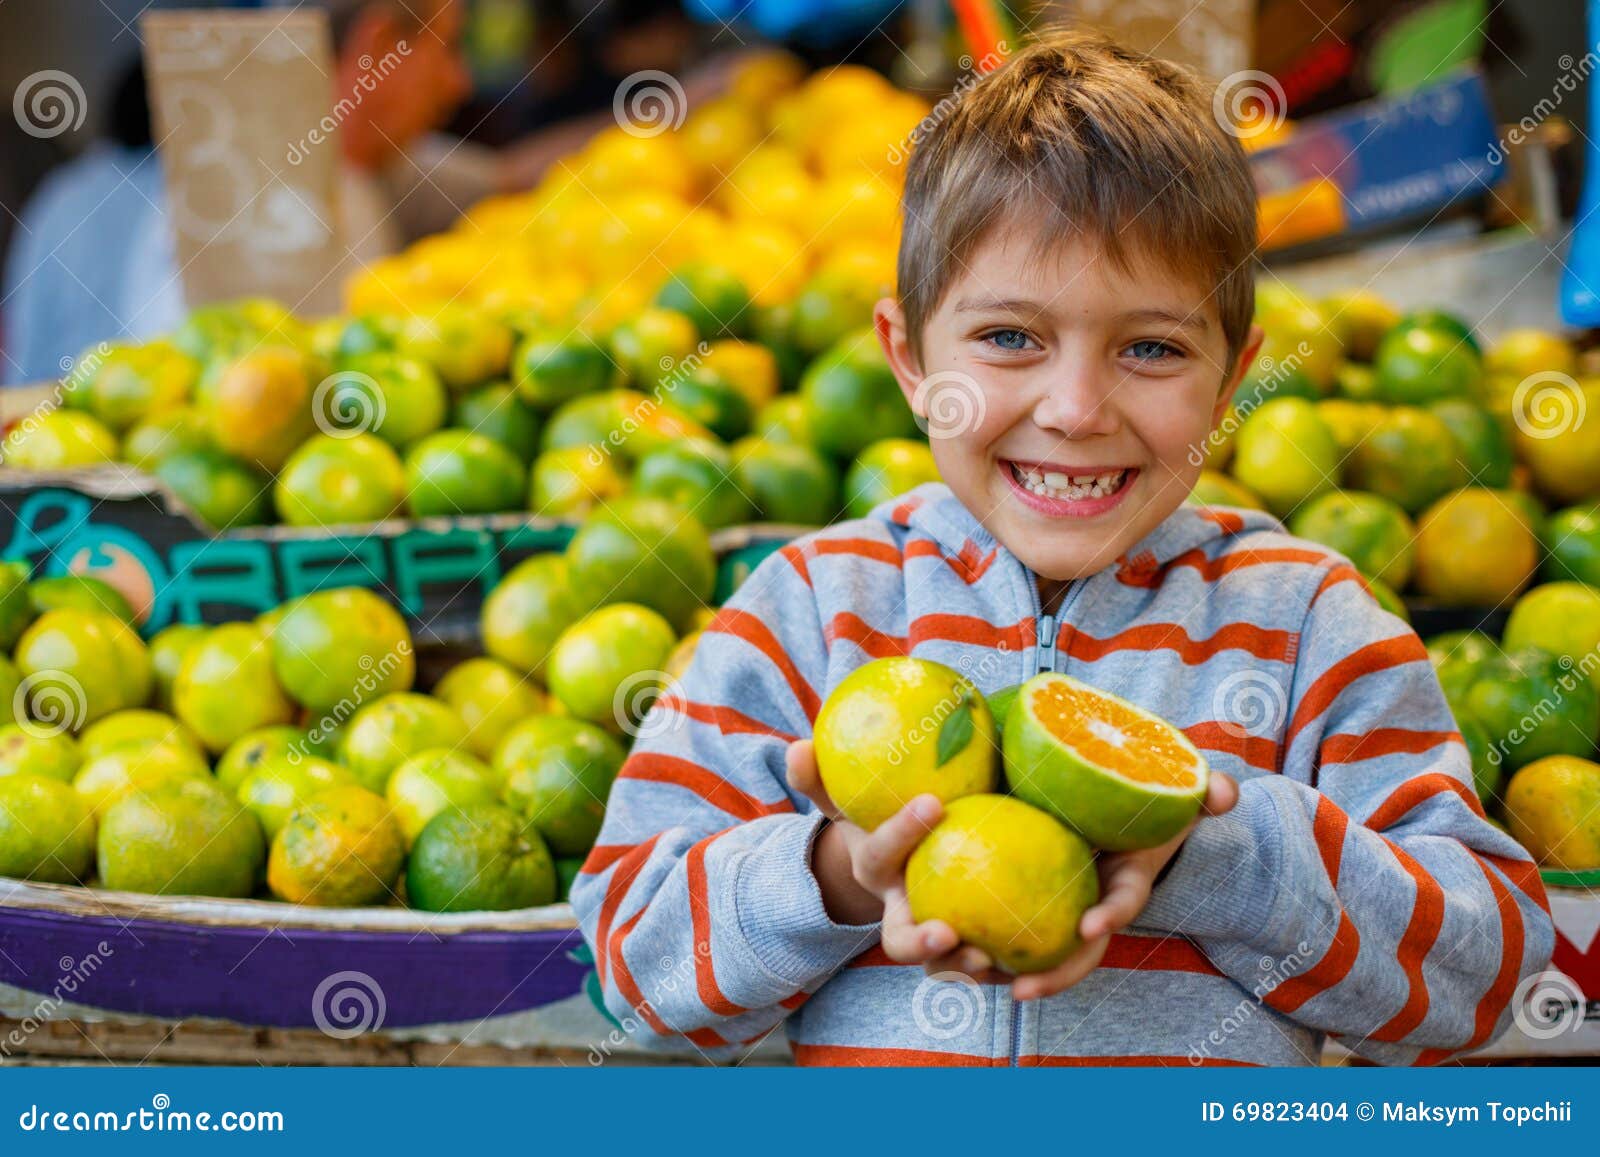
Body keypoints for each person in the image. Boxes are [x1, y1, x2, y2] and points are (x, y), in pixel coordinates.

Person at [570, 29, 1554, 1066]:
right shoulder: (812, 609)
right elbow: (630, 971)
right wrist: (839, 872)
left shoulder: (1309, 622)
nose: (1076, 408)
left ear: (1232, 379)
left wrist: (1210, 852)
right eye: (1009, 338)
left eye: (1150, 348)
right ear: (907, 356)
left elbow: (1478, 981)